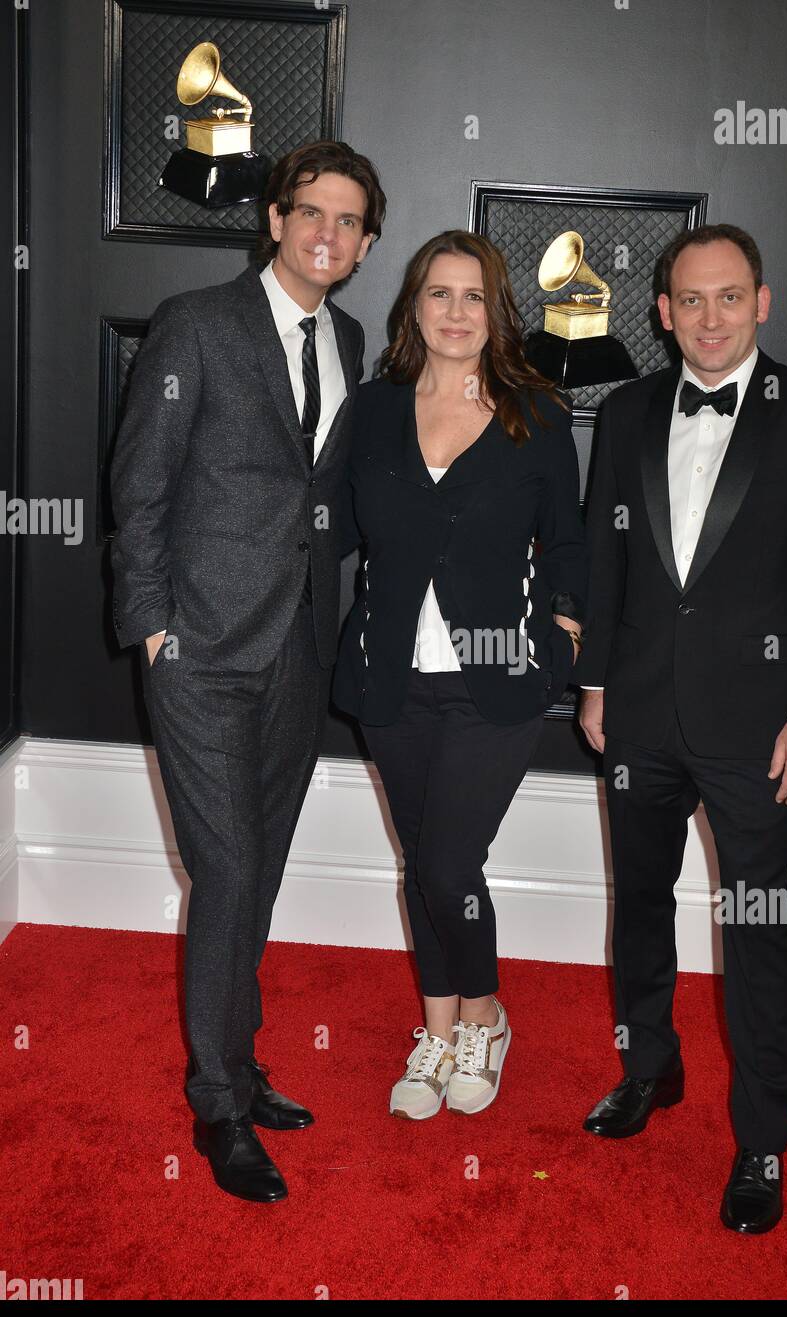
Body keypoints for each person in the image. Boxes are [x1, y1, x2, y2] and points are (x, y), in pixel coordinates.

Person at [109, 141, 386, 1202]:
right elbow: (140, 484)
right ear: (273, 219)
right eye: (309, 211)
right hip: (202, 650)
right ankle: (218, 1103)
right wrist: (152, 630)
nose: (326, 231)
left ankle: (243, 1057)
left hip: (297, 649)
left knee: (258, 867)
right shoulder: (196, 323)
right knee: (226, 872)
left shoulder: (348, 336)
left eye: (348, 220)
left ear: (363, 245)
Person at [576, 224, 787, 1233]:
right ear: (660, 311)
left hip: (760, 726)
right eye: (689, 301)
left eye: (728, 298)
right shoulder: (623, 411)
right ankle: (648, 1068)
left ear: (762, 302)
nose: (708, 319)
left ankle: (762, 1142)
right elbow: (603, 566)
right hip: (641, 712)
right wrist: (596, 685)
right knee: (640, 906)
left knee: (753, 927)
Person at [333, 230, 587, 1120]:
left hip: (499, 683)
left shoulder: (537, 413)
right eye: (438, 294)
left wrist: (560, 632)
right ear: (413, 306)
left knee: (449, 861)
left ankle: (485, 1016)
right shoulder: (370, 411)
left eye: (473, 296)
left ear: (498, 310)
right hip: (390, 676)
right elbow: (327, 524)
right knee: (421, 863)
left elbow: (570, 544)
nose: (454, 312)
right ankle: (437, 1034)